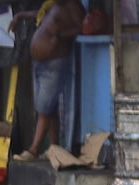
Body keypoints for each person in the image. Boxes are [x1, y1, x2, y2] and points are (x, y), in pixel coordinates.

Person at [10, 0, 84, 161]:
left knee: (44, 108)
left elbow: (81, 27)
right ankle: (54, 148)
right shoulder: (54, 6)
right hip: (40, 63)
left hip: (54, 62)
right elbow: (41, 14)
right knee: (50, 107)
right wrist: (20, 16)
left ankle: (34, 149)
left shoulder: (73, 6)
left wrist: (59, 34)